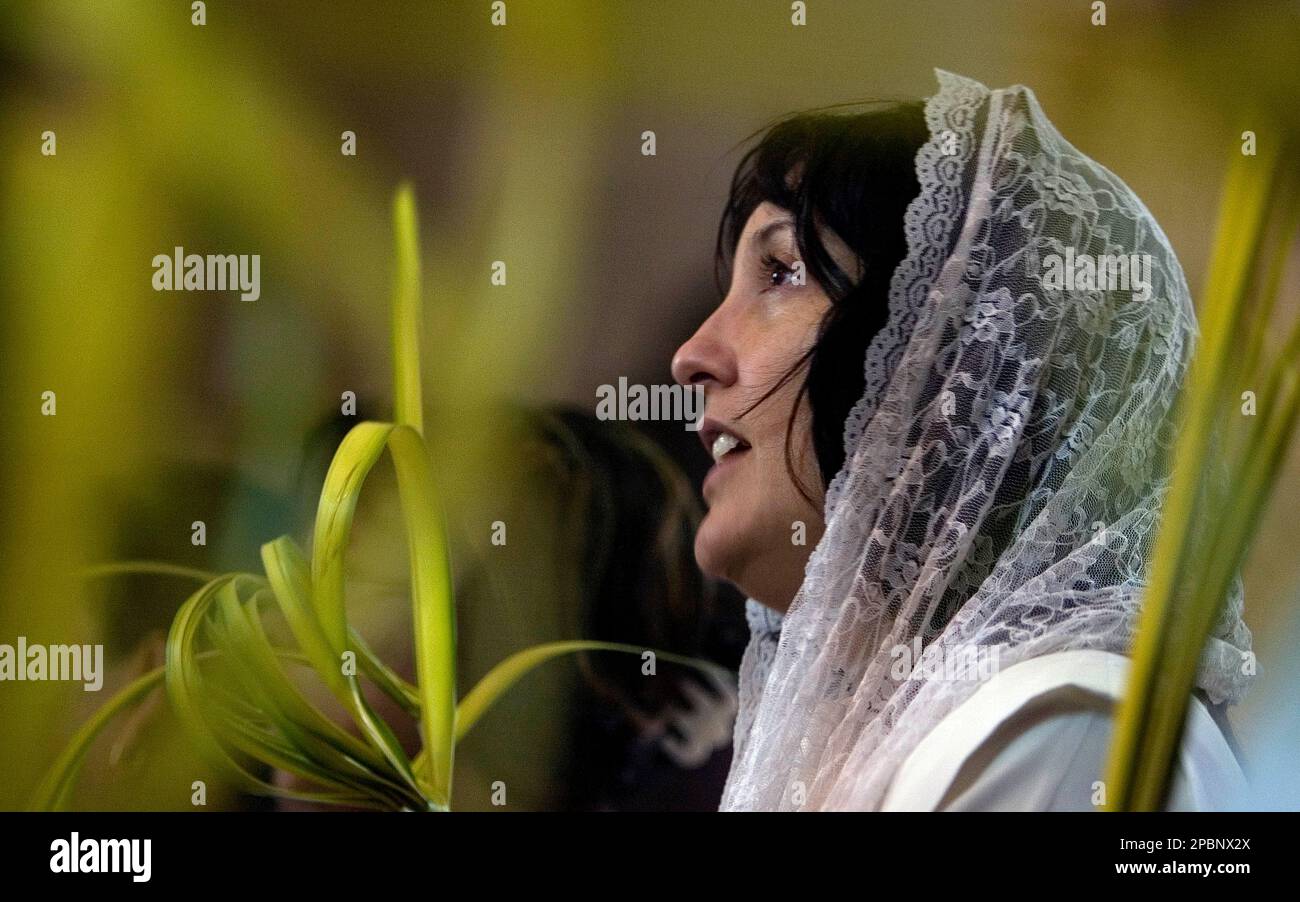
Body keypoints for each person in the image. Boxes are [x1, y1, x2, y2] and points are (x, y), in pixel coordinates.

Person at [670, 69, 1255, 811]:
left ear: (962, 367)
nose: (691, 356)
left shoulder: (1062, 730)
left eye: (783, 272)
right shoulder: (939, 726)